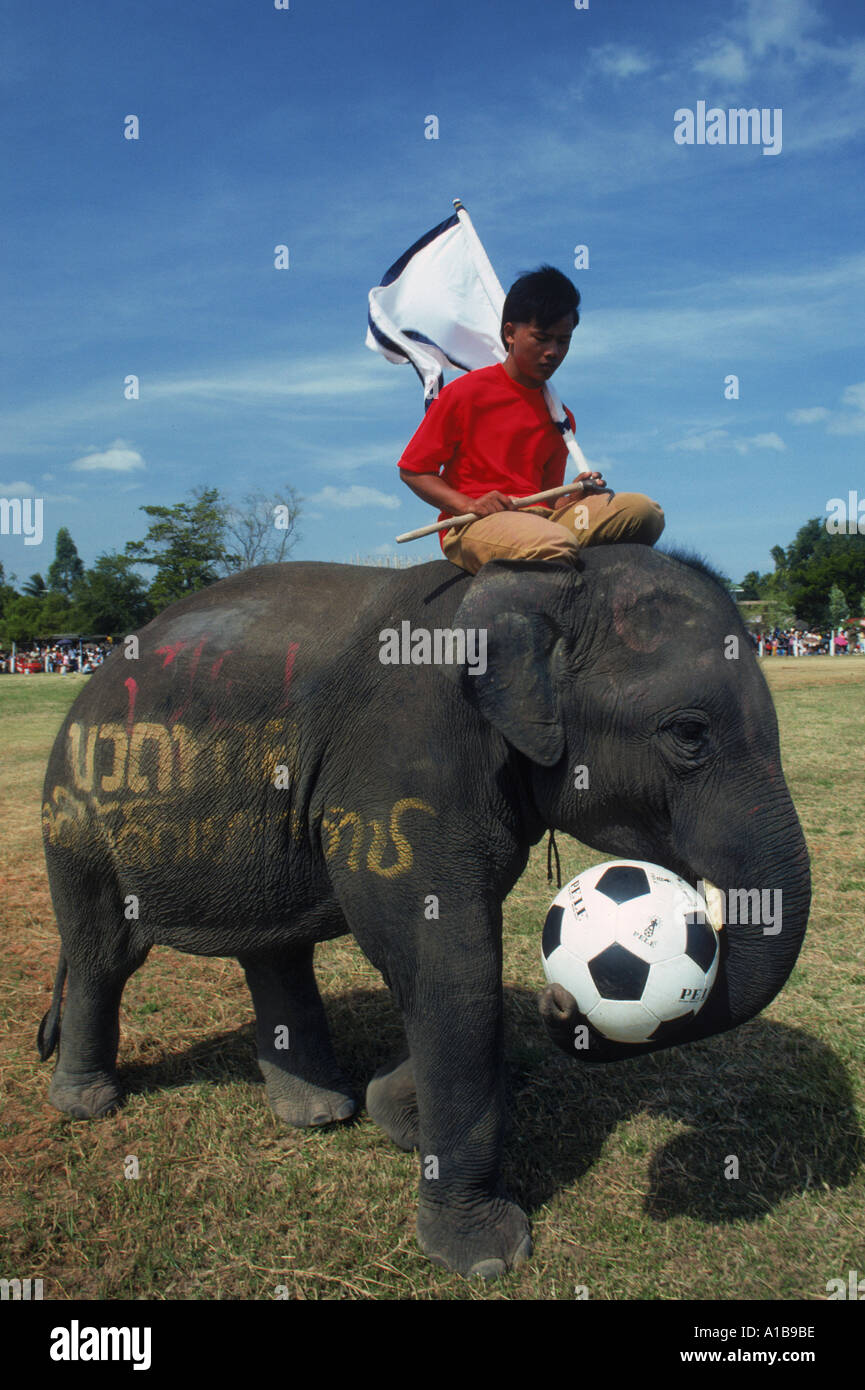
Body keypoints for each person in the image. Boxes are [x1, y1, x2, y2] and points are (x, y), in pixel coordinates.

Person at [398, 265, 665, 574]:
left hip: (541, 521)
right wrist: (468, 505)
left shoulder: (560, 416)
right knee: (554, 544)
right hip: (475, 525)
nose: (553, 352)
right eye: (542, 338)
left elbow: (548, 502)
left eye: (563, 341)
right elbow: (414, 471)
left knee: (643, 512)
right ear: (510, 333)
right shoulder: (465, 393)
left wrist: (573, 497)